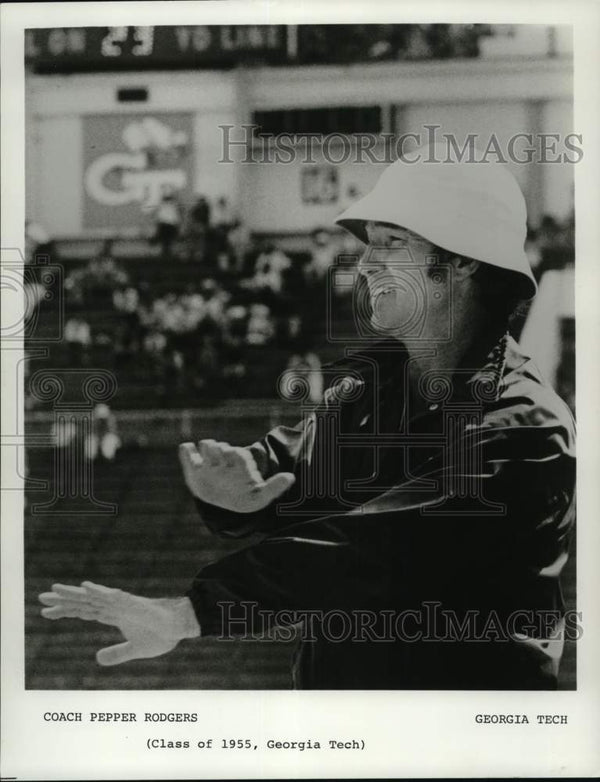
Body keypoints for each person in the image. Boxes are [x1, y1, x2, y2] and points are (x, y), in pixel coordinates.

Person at [39, 146, 576, 689]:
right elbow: (287, 468)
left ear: (464, 260)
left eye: (393, 243)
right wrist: (237, 497)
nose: (367, 263)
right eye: (370, 244)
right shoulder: (369, 387)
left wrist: (189, 613)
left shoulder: (527, 428)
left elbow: (375, 554)